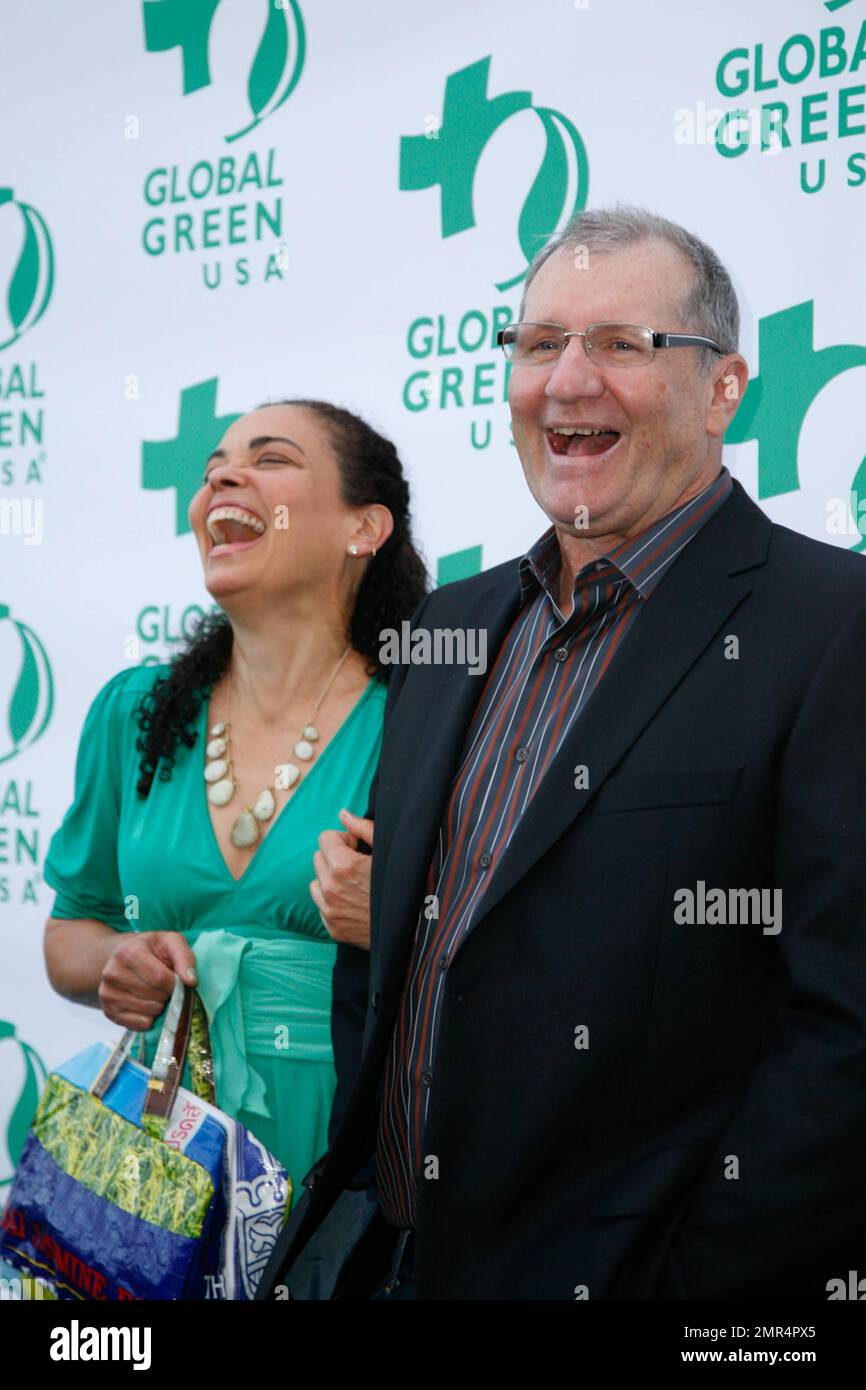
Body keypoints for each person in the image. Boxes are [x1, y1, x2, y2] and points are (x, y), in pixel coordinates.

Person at [257, 206, 866, 1301]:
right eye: (538, 344)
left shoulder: (831, 626)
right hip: (382, 1258)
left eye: (621, 344)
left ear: (723, 387)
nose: (566, 381)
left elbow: (844, 1027)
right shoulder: (450, 628)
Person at [41, 399, 428, 1207]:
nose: (223, 474)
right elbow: (70, 930)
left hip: (365, 1168)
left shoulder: (435, 713)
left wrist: (395, 916)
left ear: (365, 530)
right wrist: (115, 963)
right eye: (214, 464)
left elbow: (511, 949)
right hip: (167, 1181)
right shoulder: (134, 711)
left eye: (272, 458)